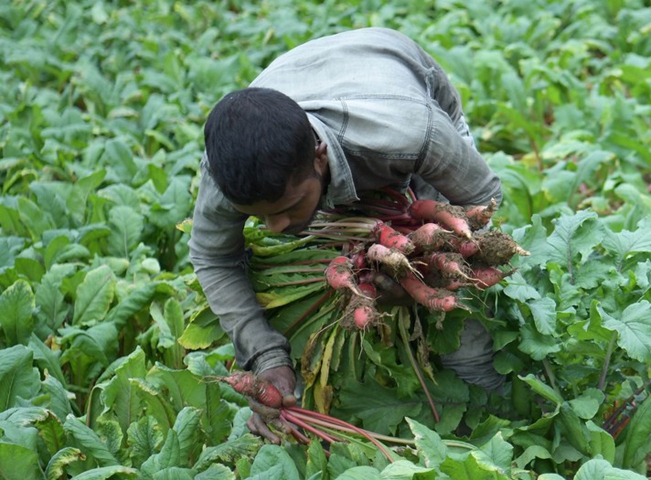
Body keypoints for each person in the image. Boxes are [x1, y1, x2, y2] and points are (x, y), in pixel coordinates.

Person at [189, 27, 504, 442]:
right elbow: (214, 258)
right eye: (259, 219)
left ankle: (491, 411)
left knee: (463, 307)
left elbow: (483, 202)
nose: (275, 229)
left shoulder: (411, 134)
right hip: (302, 81)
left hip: (400, 80)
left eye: (286, 210)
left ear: (319, 158)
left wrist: (427, 270)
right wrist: (265, 357)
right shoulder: (225, 174)